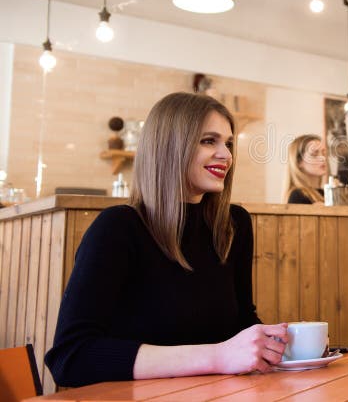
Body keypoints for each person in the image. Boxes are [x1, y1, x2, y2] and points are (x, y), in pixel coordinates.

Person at [45, 92, 288, 387]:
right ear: (169, 147)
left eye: (228, 143)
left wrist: (282, 346)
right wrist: (216, 356)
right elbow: (71, 357)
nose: (226, 155)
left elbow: (241, 322)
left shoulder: (234, 224)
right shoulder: (118, 228)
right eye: (209, 141)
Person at [283, 134, 328, 204]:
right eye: (314, 154)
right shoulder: (297, 196)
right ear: (298, 162)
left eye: (324, 153)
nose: (323, 158)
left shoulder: (326, 193)